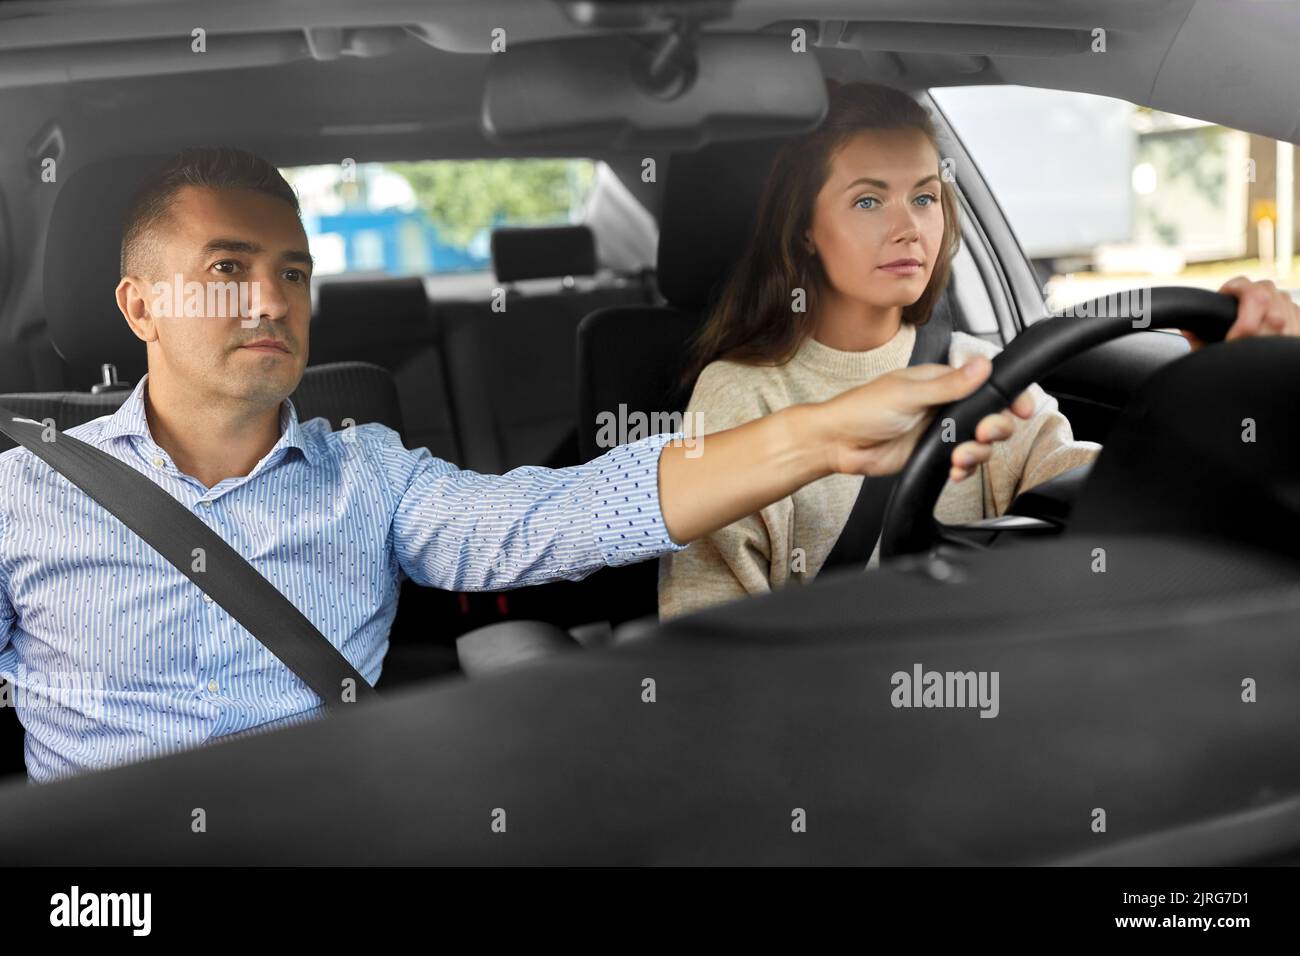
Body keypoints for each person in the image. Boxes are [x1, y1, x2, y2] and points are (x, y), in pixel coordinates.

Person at [0, 147, 1034, 783]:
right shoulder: (24, 492)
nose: (271, 301)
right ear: (140, 306)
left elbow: (563, 512)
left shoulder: (368, 473)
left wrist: (827, 430)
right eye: (226, 270)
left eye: (294, 273)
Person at [659, 81, 1300, 621]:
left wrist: (1216, 389)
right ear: (803, 229)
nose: (909, 226)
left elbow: (1102, 511)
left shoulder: (977, 370)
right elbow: (704, 637)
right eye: (867, 200)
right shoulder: (740, 392)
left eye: (924, 197)